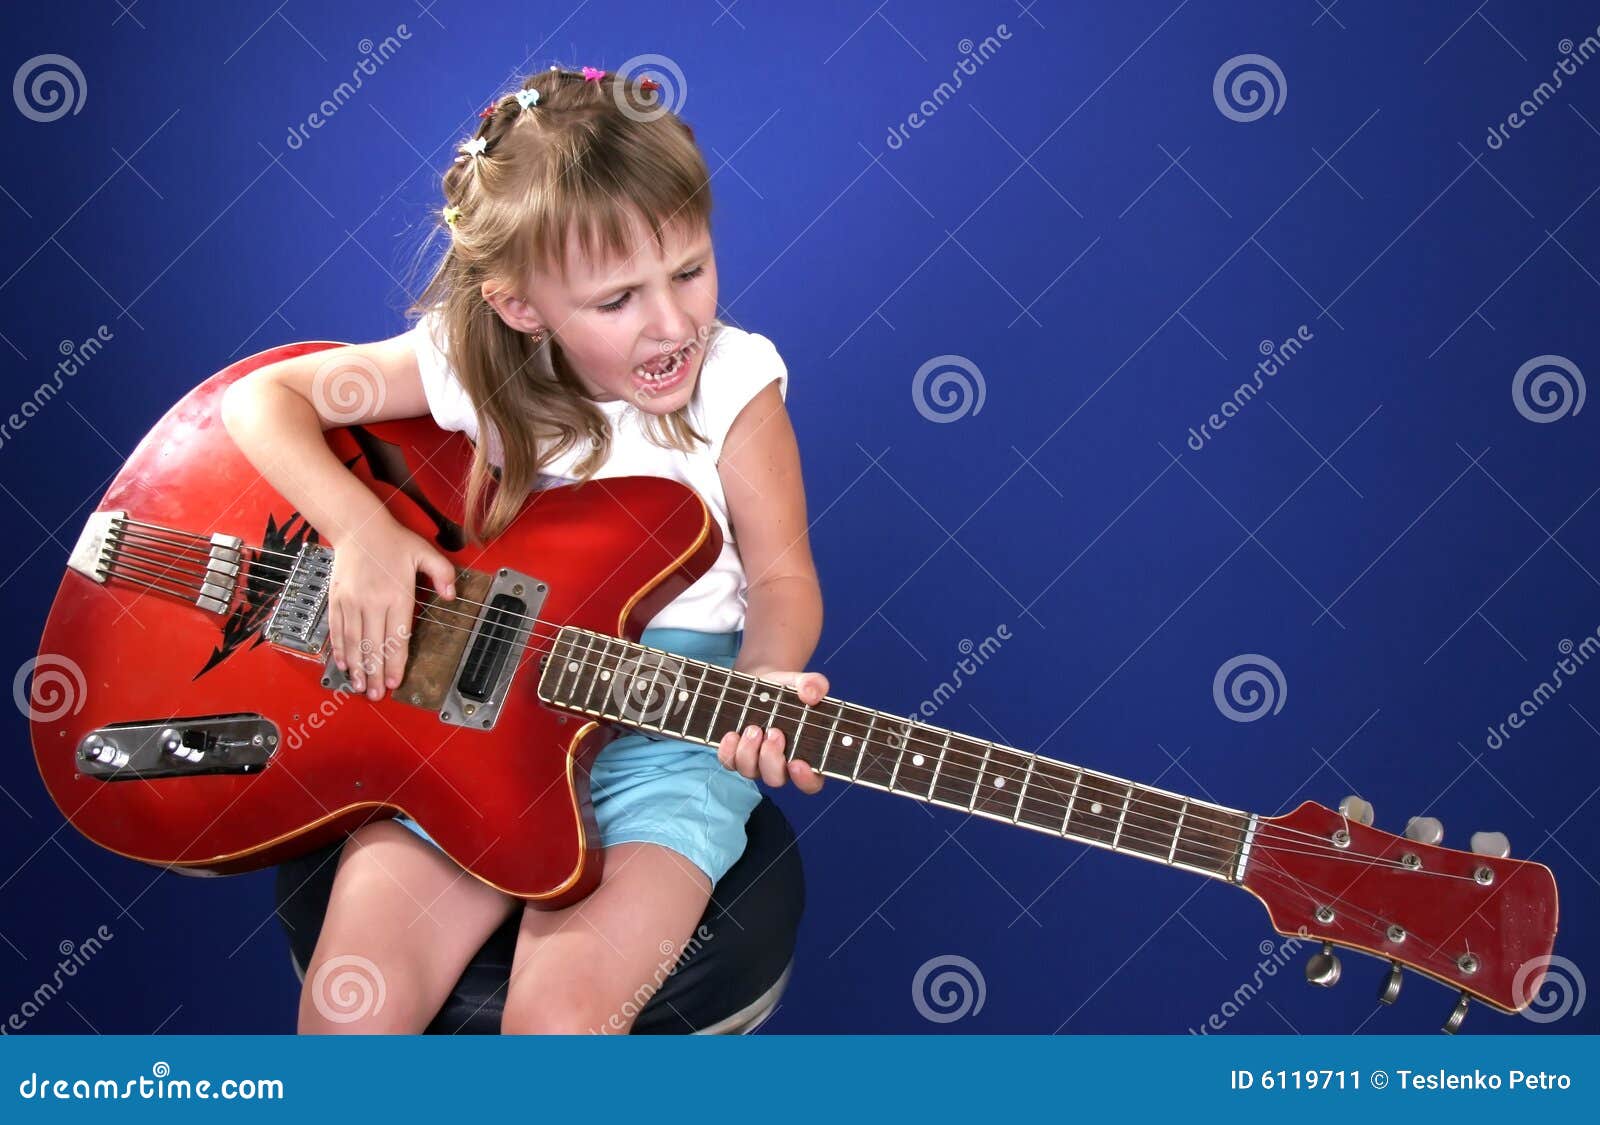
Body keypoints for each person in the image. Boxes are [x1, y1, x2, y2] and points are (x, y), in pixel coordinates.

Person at [221, 64, 826, 1034]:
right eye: (617, 299)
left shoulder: (734, 382)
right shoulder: (469, 362)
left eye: (689, 270)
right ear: (520, 306)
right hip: (478, 723)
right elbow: (262, 399)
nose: (673, 323)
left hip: (667, 744)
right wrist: (362, 532)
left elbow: (784, 576)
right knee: (352, 1004)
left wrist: (762, 680)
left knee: (560, 1022)